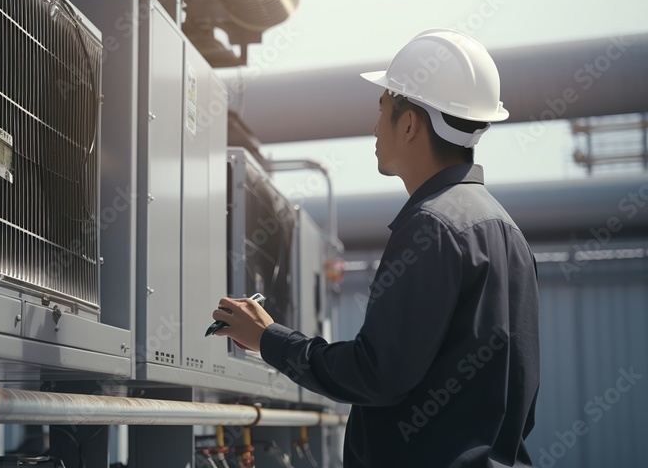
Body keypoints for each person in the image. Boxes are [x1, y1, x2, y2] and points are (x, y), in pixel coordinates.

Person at [211, 29, 541, 467]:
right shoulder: (508, 234)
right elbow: (520, 393)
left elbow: (377, 374)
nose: (373, 126)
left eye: (382, 108)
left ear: (408, 123)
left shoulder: (432, 226)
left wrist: (269, 339)